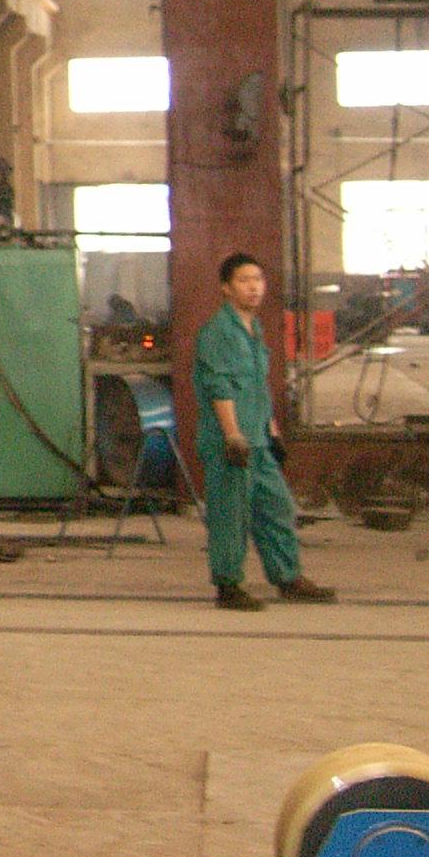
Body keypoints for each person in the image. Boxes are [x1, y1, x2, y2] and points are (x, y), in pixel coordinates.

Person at [190, 252, 334, 611]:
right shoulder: (218, 333)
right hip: (231, 442)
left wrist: (272, 431)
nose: (254, 287)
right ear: (226, 288)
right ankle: (228, 585)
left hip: (259, 439)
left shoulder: (254, 330)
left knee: (276, 507)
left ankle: (287, 576)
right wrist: (232, 435)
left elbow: (258, 386)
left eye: (258, 280)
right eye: (244, 280)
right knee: (231, 515)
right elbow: (219, 386)